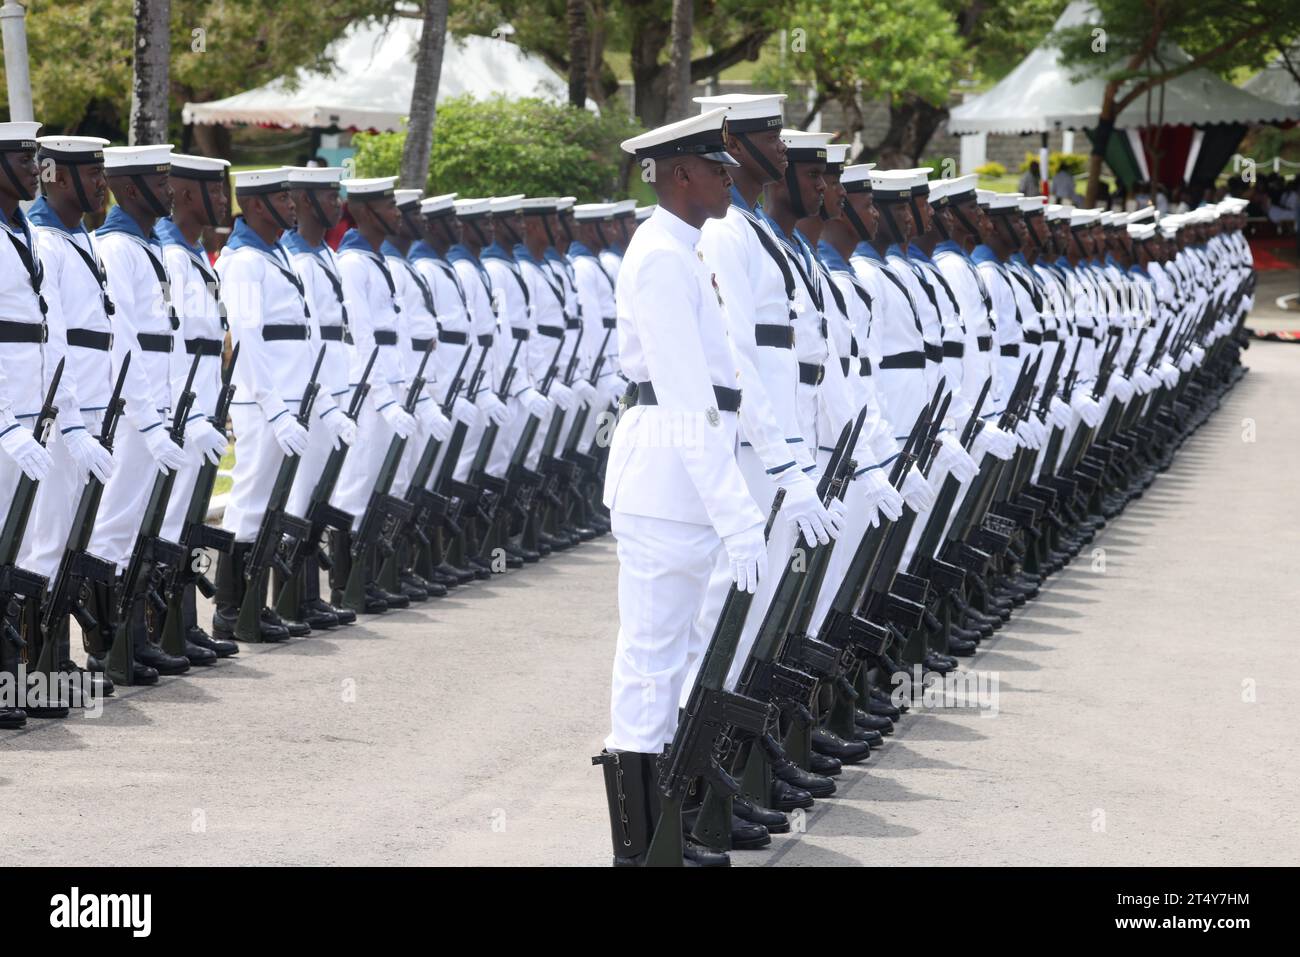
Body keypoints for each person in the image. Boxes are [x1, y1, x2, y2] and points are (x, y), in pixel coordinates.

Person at [593, 107, 767, 867]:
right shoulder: (661, 255)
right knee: (651, 661)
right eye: (717, 168)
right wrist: (736, 513)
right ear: (682, 174)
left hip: (683, 481)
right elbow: (689, 399)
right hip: (667, 479)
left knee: (679, 661)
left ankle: (668, 829)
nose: (731, 179)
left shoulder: (685, 250)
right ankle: (639, 849)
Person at [88, 144, 192, 684]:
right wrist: (145, 412)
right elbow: (123, 339)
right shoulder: (117, 249)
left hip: (155, 402)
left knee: (138, 523)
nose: (171, 190)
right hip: (133, 408)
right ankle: (104, 648)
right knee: (114, 523)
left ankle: (133, 637)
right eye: (161, 180)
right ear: (131, 190)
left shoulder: (144, 246)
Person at [22, 134, 119, 697]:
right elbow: (53, 339)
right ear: (57, 175)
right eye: (92, 173)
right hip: (60, 413)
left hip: (86, 409)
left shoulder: (77, 240)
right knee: (47, 535)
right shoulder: (47, 244)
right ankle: (39, 667)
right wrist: (70, 416)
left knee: (69, 537)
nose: (102, 183)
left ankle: (54, 658)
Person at [212, 168, 318, 641]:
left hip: (287, 399)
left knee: (271, 502)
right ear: (256, 205)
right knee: (250, 501)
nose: (292, 204)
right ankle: (231, 609)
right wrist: (274, 407)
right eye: (282, 196)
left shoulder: (271, 254)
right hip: (264, 401)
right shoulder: (242, 261)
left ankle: (255, 603)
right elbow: (247, 340)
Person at [155, 153, 238, 664]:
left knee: (187, 521)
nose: (225, 202)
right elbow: (169, 346)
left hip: (202, 411)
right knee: (166, 521)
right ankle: (159, 628)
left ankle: (182, 625)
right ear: (187, 195)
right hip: (180, 413)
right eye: (215, 191)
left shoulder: (191, 254)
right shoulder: (169, 257)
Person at [279, 164, 361, 627]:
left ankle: (309, 595)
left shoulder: (324, 256)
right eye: (329, 196)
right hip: (311, 393)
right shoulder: (298, 262)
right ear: (306, 202)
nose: (337, 204)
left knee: (318, 491)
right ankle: (291, 597)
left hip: (334, 385)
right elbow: (305, 340)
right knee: (300, 493)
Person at [0, 120, 58, 727]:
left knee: (14, 545)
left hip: (30, 414)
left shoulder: (25, 232)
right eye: (21, 158)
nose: (33, 169)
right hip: (4, 420)